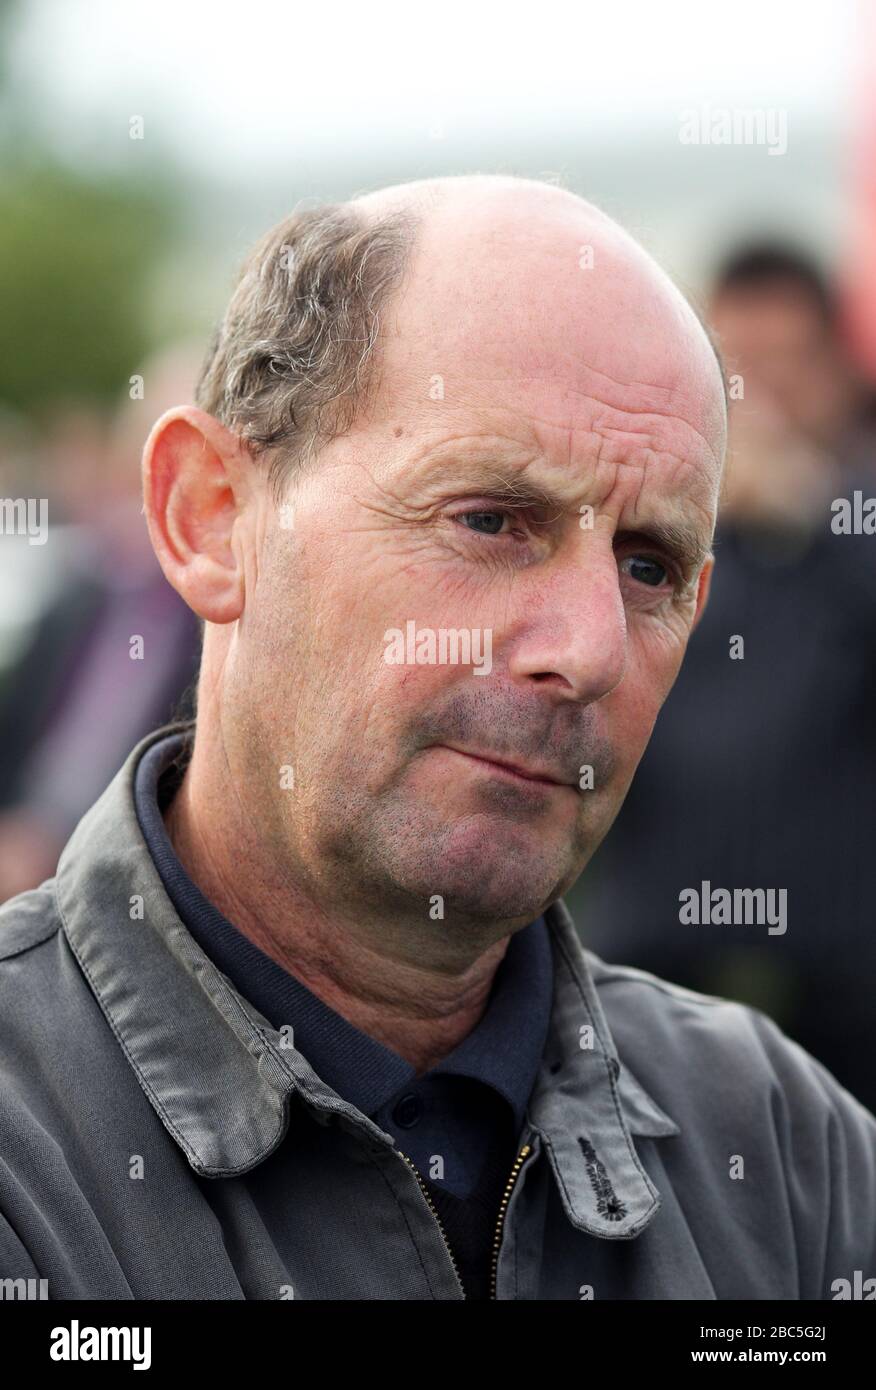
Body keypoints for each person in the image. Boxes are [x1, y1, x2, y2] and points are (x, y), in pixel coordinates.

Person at [1, 177, 874, 1301]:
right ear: (209, 516)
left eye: (647, 564)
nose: (589, 649)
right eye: (491, 520)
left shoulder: (787, 1160)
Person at [577, 243, 876, 1114]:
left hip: (841, 955)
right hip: (659, 930)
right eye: (737, 370)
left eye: (786, 367)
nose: (761, 400)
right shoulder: (655, 514)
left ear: (835, 364)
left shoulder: (848, 507)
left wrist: (818, 515)